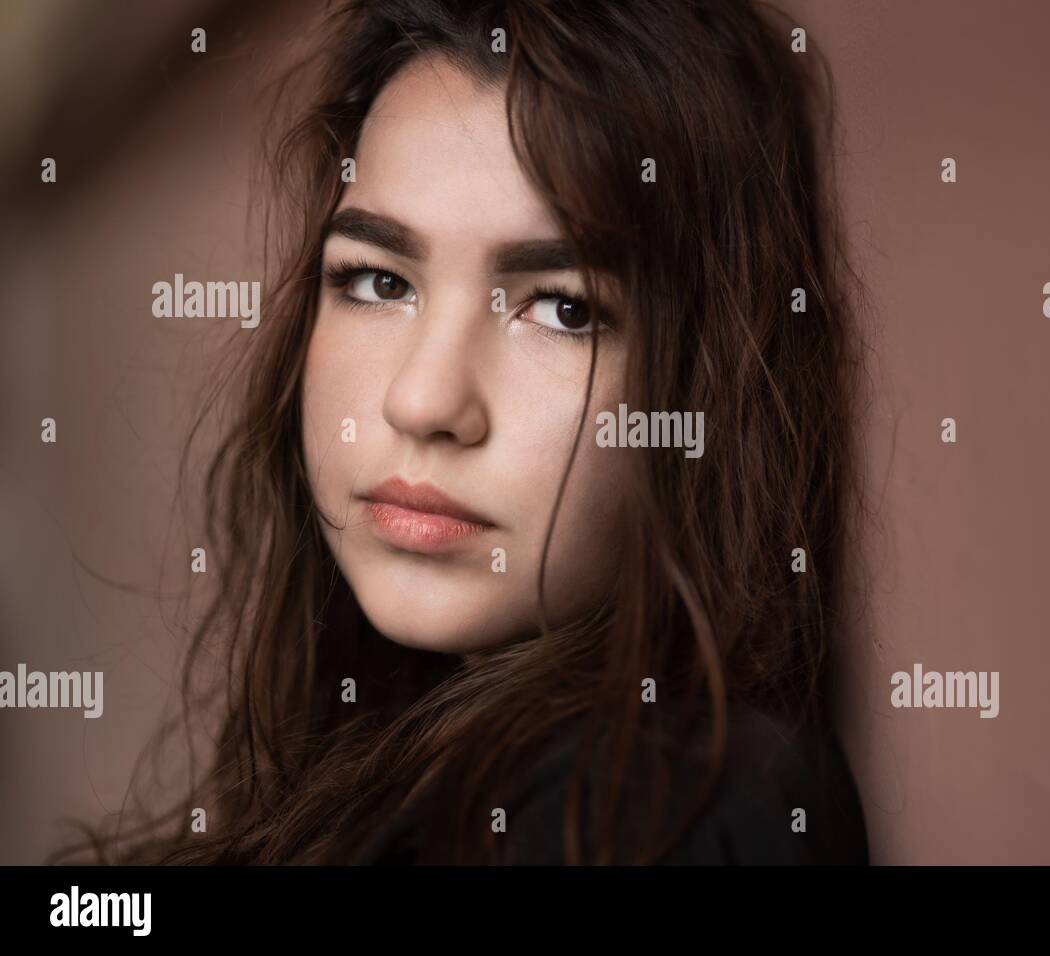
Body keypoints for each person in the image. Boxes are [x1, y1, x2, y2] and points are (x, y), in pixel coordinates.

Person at [54, 0, 870, 866]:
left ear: (711, 389)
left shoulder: (665, 807)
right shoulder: (404, 755)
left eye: (563, 308)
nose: (424, 400)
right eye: (376, 281)